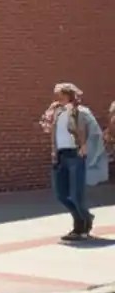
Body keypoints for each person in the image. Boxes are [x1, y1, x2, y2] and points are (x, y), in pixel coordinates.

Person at [39, 83, 108, 240]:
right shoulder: (56, 113)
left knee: (76, 194)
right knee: (61, 194)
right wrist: (48, 117)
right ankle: (85, 217)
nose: (56, 98)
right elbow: (48, 129)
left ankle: (80, 226)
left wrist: (85, 147)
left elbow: (95, 132)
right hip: (60, 155)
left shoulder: (81, 112)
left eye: (59, 94)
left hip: (75, 155)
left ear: (68, 94)